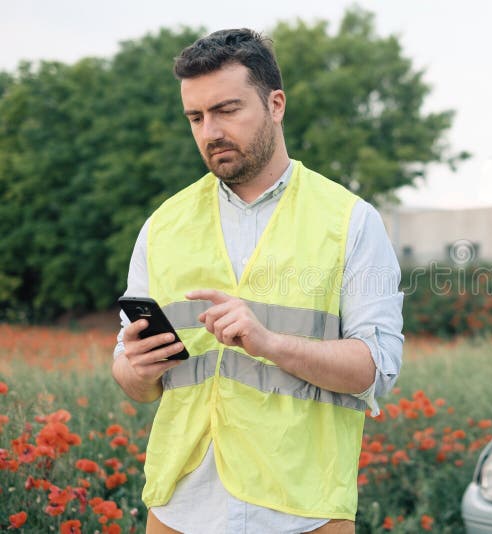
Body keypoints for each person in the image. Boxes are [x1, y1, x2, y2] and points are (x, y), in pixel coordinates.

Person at [112, 28, 404, 534]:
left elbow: (375, 371)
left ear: (276, 104)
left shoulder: (350, 221)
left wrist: (267, 343)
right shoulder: (162, 226)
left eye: (227, 110)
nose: (209, 132)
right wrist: (135, 369)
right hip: (179, 510)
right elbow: (135, 382)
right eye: (196, 117)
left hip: (303, 512)